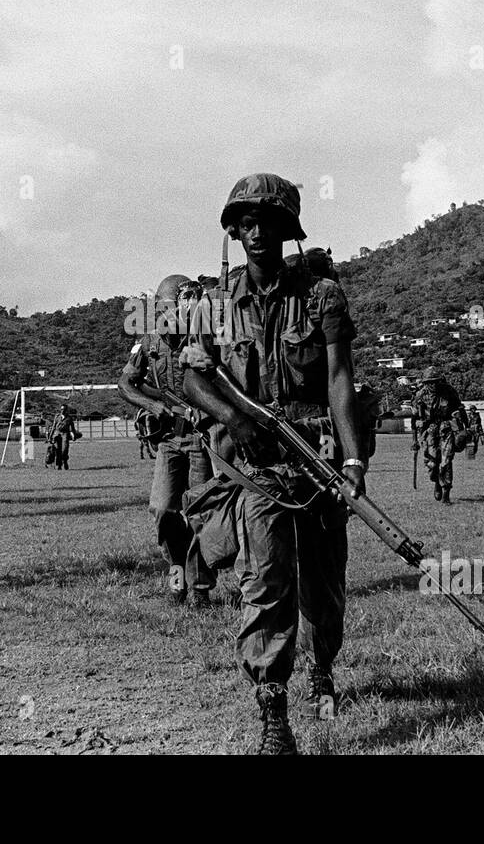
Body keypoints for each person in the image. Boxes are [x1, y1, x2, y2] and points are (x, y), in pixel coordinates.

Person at [181, 173, 366, 754]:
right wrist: (236, 422)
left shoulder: (322, 296)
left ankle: (322, 667)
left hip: (317, 456)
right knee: (265, 583)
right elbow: (190, 377)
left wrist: (353, 458)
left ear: (288, 229)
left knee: (324, 585)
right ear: (234, 231)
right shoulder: (213, 303)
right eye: (246, 221)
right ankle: (273, 712)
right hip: (258, 464)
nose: (257, 230)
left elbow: (340, 380)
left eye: (269, 220)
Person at [118, 274, 217, 606]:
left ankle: (201, 588)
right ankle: (177, 578)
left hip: (203, 437)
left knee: (202, 513)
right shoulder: (149, 344)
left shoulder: (205, 336)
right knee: (162, 509)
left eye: (170, 307)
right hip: (169, 440)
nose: (163, 315)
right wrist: (152, 405)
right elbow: (126, 384)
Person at [411, 368, 470, 503]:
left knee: (446, 461)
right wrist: (414, 440)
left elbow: (459, 408)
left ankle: (446, 492)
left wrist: (467, 428)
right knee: (431, 463)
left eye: (435, 382)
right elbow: (414, 418)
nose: (433, 385)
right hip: (429, 431)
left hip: (446, 429)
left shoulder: (448, 391)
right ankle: (437, 482)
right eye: (429, 382)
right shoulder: (420, 395)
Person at [46, 405, 80, 469]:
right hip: (57, 434)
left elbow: (72, 428)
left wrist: (74, 436)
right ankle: (59, 465)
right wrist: (50, 437)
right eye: (61, 409)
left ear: (66, 410)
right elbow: (53, 427)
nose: (62, 411)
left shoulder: (69, 418)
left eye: (64, 409)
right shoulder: (57, 417)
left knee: (65, 449)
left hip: (65, 434)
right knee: (58, 450)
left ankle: (65, 461)